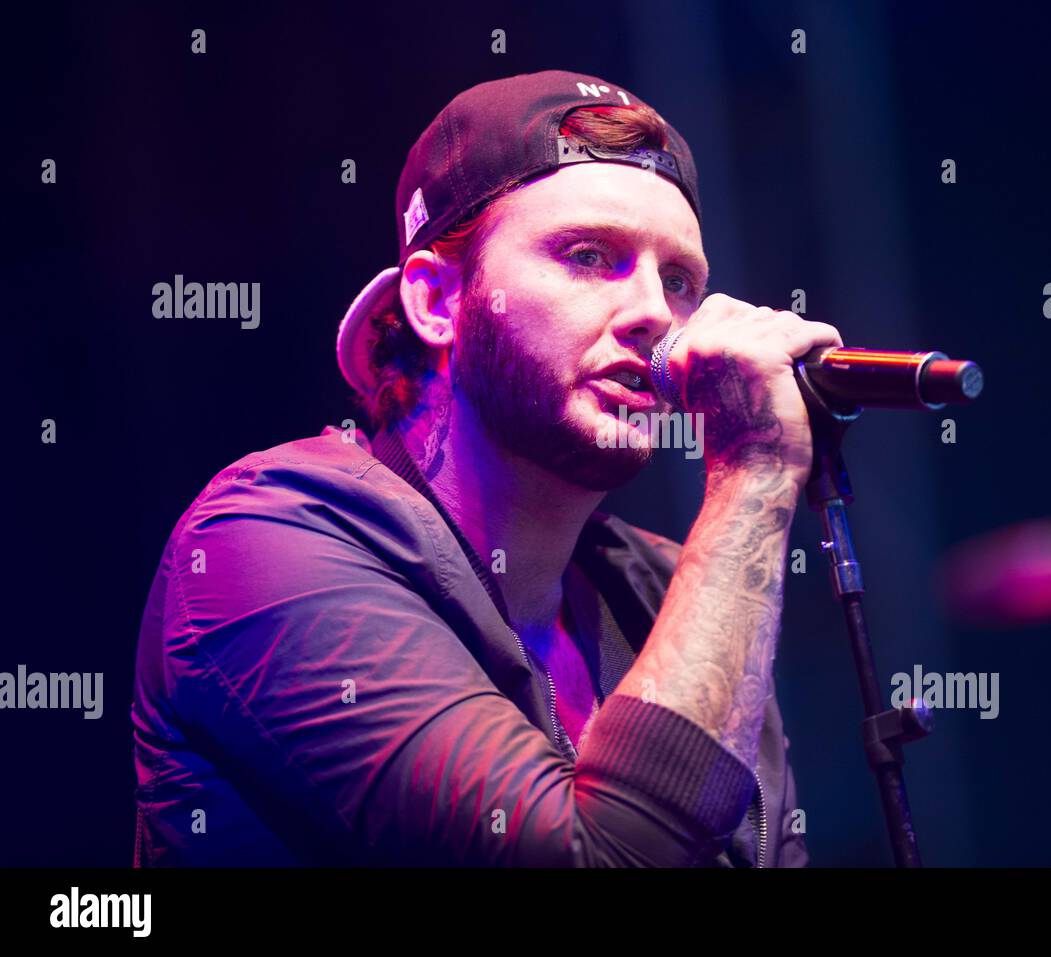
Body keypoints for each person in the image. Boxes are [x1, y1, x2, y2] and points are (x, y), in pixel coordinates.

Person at [131, 69, 841, 866]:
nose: (654, 312)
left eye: (679, 280)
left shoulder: (671, 589)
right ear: (437, 301)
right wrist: (751, 474)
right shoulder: (263, 543)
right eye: (587, 255)